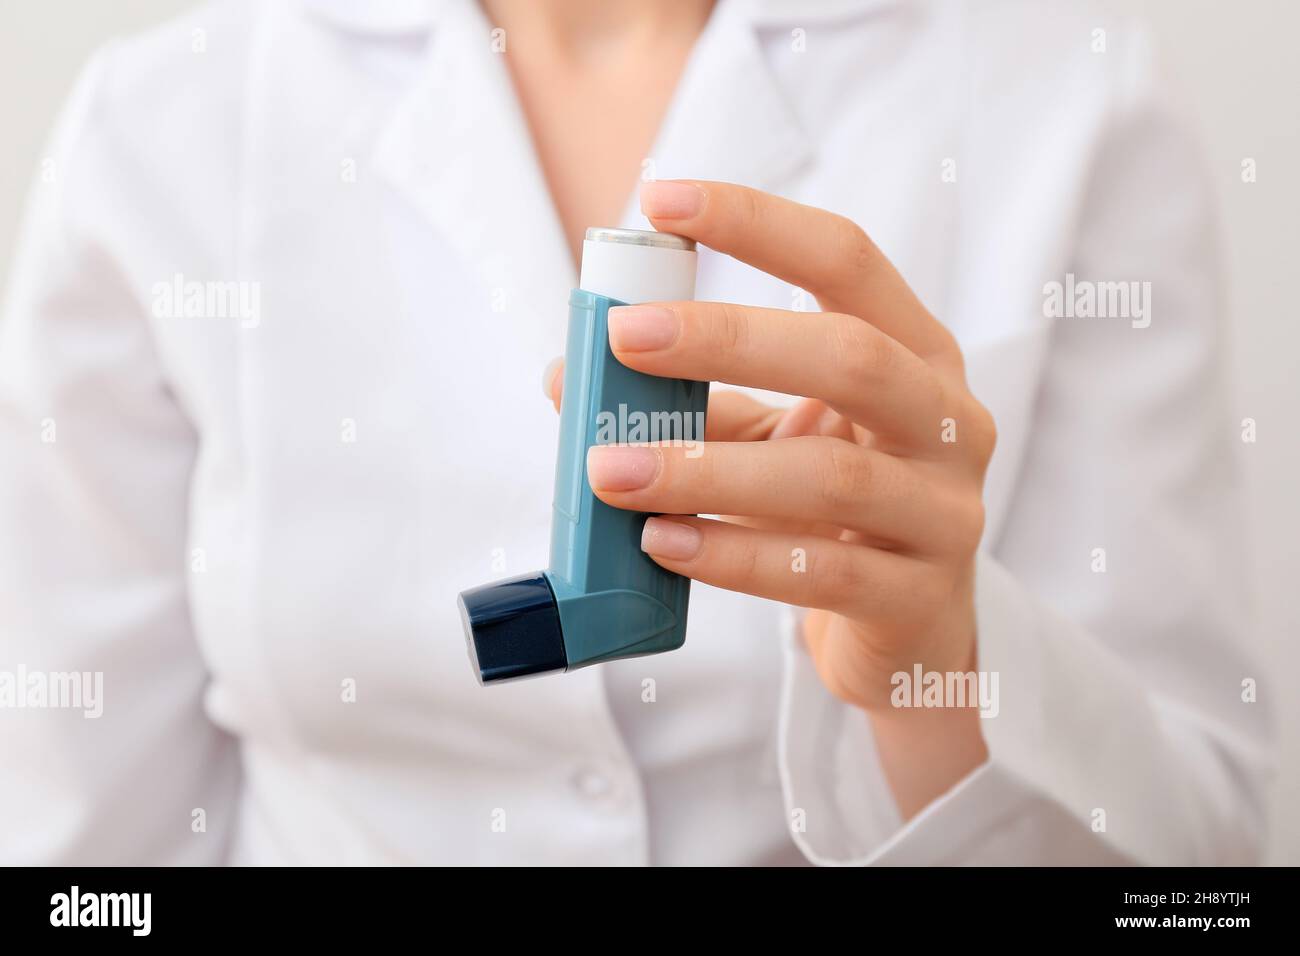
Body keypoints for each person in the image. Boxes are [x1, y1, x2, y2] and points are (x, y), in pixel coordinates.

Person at [0, 0, 1272, 865]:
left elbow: (1196, 863)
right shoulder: (160, 126)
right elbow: (81, 850)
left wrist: (937, 667)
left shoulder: (1069, 96)